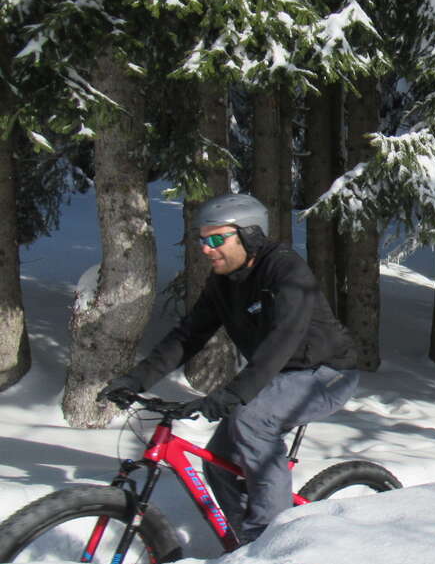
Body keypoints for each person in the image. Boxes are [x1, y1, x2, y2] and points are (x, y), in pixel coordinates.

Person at [98, 193, 359, 544]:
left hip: (327, 373)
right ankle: (245, 546)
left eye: (217, 239)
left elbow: (284, 337)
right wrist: (135, 379)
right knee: (218, 460)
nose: (206, 248)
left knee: (251, 420)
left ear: (249, 235)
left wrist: (235, 394)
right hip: (277, 374)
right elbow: (188, 336)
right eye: (203, 240)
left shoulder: (284, 269)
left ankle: (274, 543)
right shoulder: (224, 282)